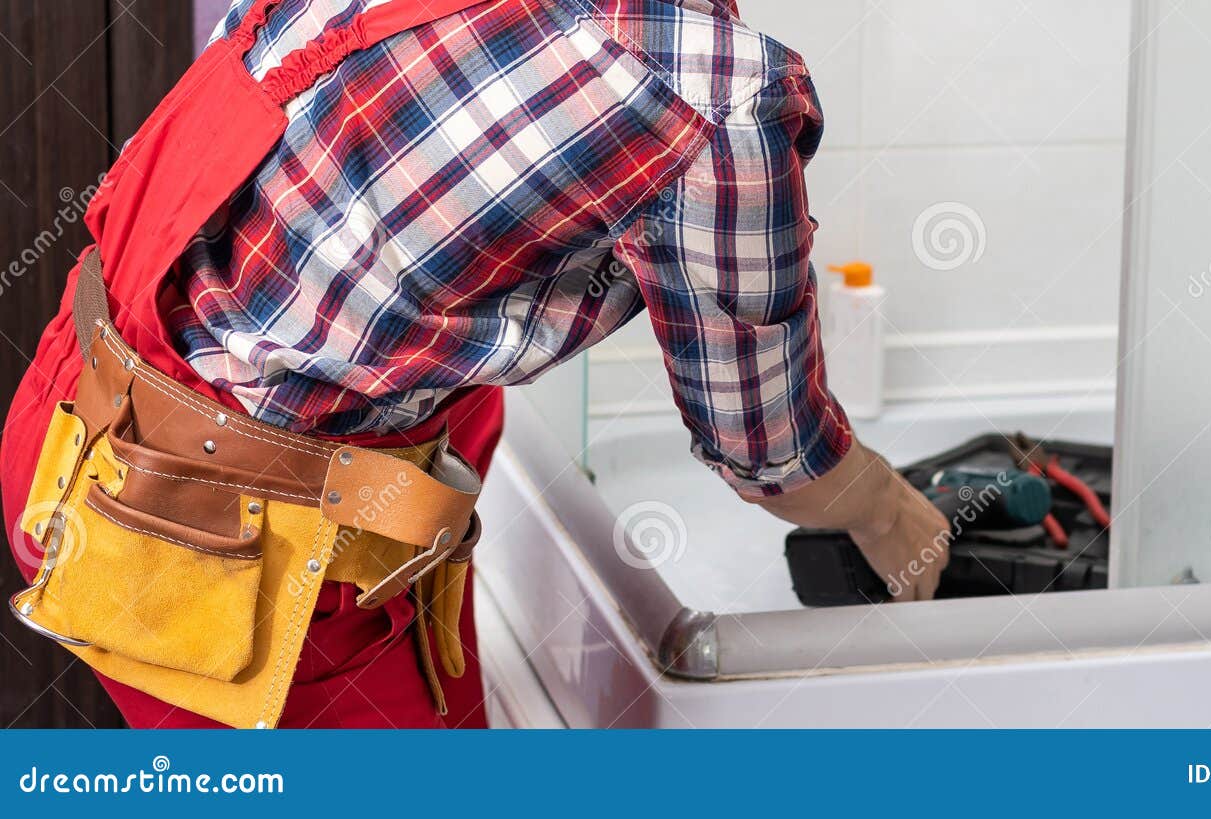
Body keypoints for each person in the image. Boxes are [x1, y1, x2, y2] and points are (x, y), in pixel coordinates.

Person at [1, 0, 947, 729]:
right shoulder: (712, 96)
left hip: (77, 405)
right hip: (226, 548)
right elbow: (773, 450)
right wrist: (891, 512)